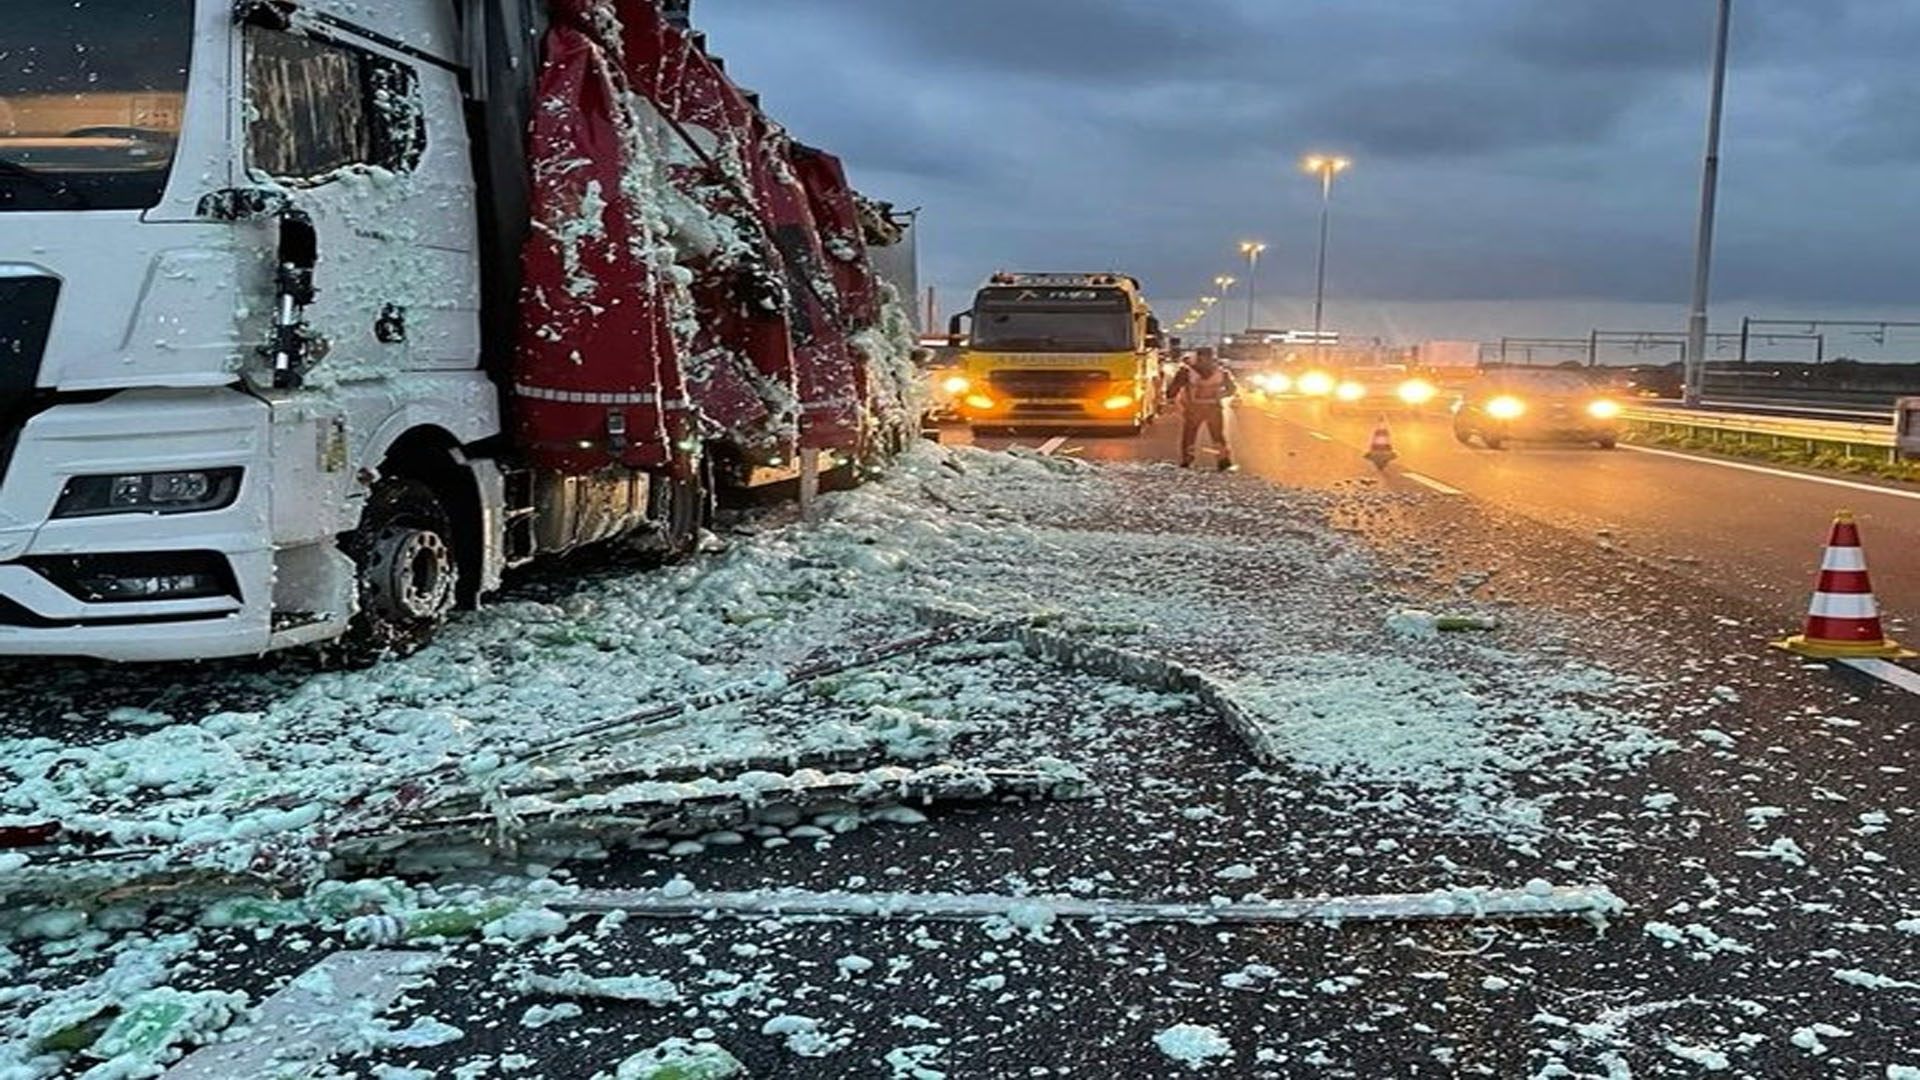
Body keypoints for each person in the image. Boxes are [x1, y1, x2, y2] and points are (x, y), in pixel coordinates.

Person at [1167, 347, 1235, 470]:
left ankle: (1187, 460)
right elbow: (1231, 389)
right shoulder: (1221, 372)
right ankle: (1223, 460)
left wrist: (1170, 398)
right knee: (1217, 436)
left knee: (1189, 436)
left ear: (1198, 357)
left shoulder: (1187, 372)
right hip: (1214, 409)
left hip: (1193, 409)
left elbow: (1175, 387)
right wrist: (1220, 395)